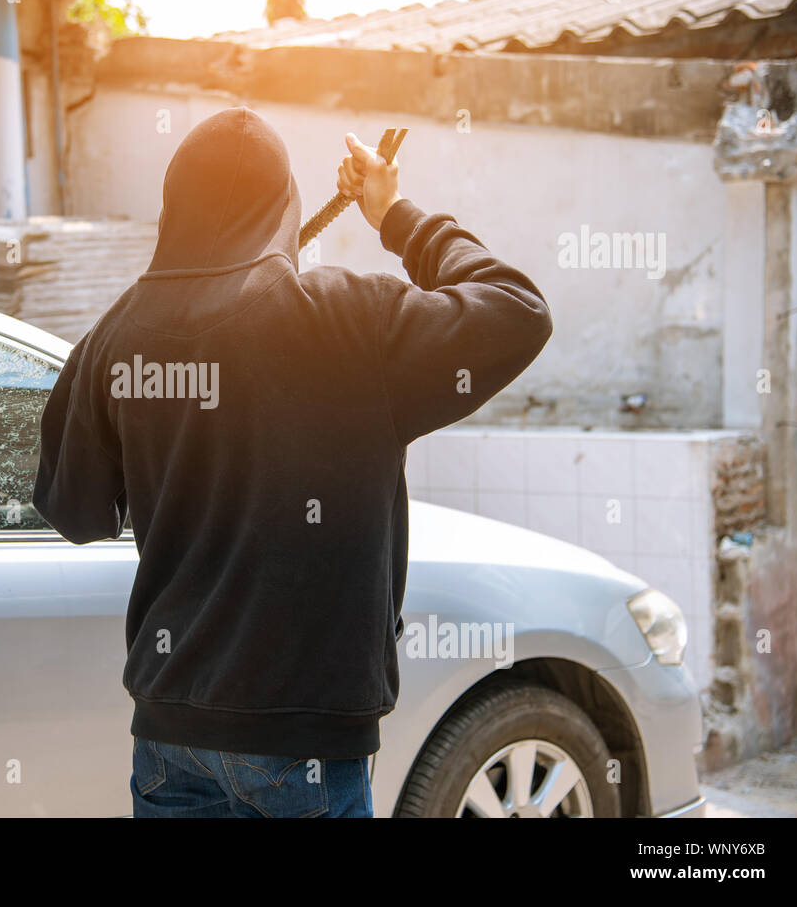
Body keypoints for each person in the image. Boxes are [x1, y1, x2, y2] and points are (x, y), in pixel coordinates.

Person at [33, 106, 552, 817]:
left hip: (170, 737)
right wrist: (394, 213)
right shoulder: (349, 322)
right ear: (285, 212)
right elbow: (516, 308)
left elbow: (77, 512)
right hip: (301, 741)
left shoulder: (117, 338)